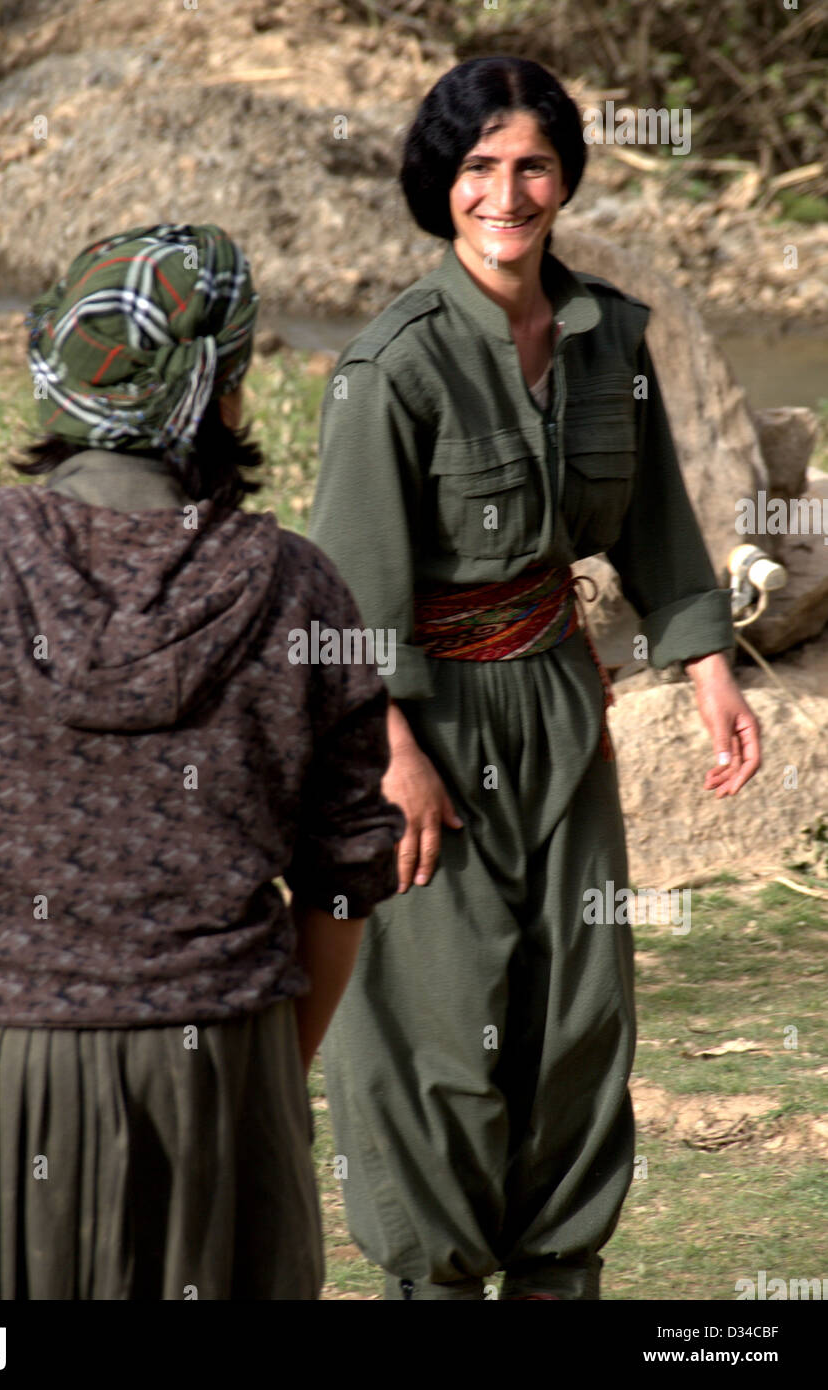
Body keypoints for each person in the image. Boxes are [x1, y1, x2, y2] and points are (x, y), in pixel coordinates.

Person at [0, 223, 403, 1299]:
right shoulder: (299, 592)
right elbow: (346, 879)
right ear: (223, 390)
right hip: (211, 1064)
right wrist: (264, 1082)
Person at [307, 57, 761, 1301]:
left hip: (562, 707)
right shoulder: (386, 366)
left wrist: (711, 669)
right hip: (422, 730)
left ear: (562, 179)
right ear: (438, 188)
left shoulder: (608, 334)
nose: (506, 194)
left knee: (576, 1021)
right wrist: (390, 756)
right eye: (477, 170)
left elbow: (658, 527)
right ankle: (435, 1283)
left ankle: (560, 1277)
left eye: (531, 167)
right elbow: (347, 606)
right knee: (438, 1037)